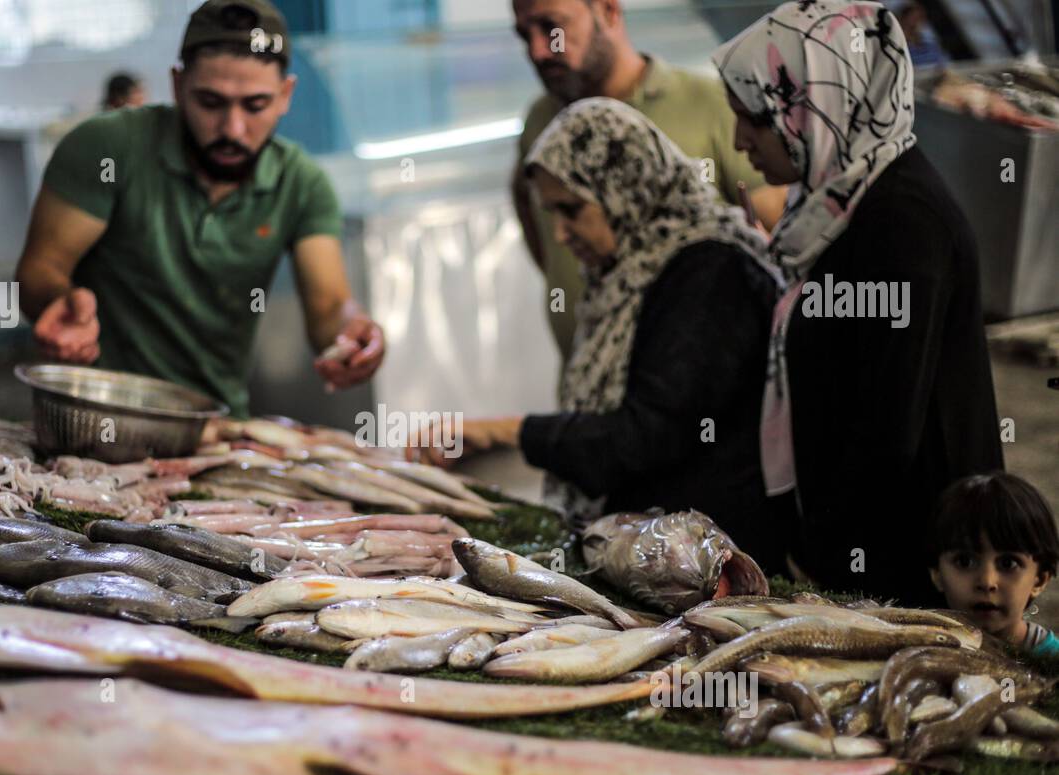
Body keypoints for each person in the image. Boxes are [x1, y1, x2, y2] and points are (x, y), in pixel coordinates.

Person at [713, 0, 1003, 604]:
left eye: (757, 118)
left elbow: (887, 426)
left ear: (822, 104)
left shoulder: (902, 222)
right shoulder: (835, 202)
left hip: (911, 567)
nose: (740, 139)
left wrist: (827, 552)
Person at [417, 98, 784, 563]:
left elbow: (641, 437)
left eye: (571, 209)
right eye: (552, 213)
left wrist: (503, 433)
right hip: (655, 546)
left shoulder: (709, 271)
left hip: (713, 560)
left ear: (626, 188)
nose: (562, 234)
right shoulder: (627, 271)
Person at [16, 0, 384, 418]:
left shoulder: (301, 185)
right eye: (210, 102)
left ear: (286, 96)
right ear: (177, 86)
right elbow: (38, 271)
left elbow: (329, 308)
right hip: (93, 419)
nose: (232, 128)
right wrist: (60, 303)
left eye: (255, 105)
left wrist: (352, 332)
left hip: (213, 427)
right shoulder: (107, 150)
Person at [512, 0, 787, 360]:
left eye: (552, 28)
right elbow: (534, 217)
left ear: (609, 11)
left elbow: (778, 236)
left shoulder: (707, 105)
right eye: (524, 34)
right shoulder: (541, 122)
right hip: (587, 385)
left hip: (693, 394)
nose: (537, 51)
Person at [928, 473, 1058, 658]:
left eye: (1008, 563)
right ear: (937, 574)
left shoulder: (1053, 665)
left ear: (1040, 580)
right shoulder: (920, 659)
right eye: (965, 561)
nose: (987, 582)